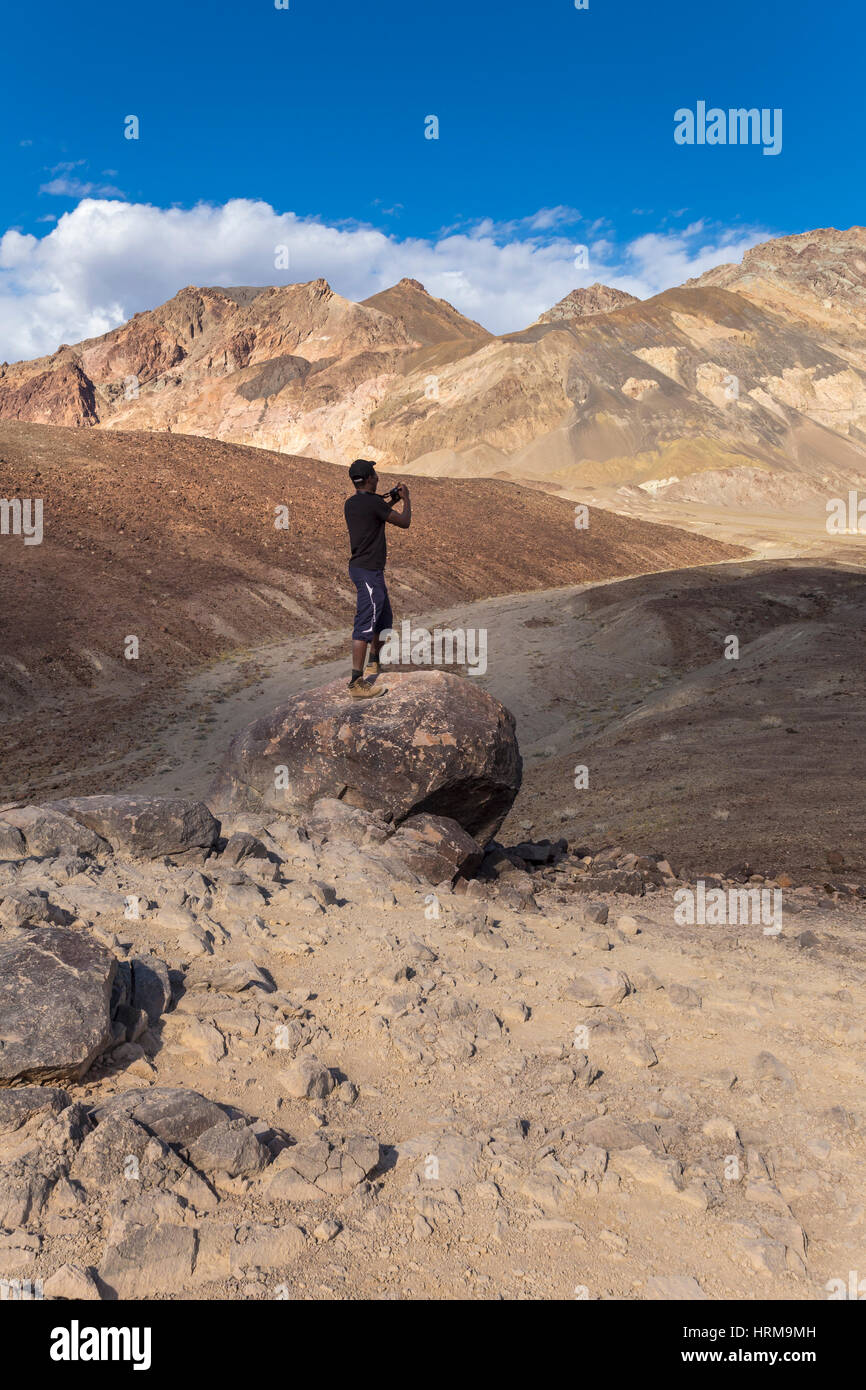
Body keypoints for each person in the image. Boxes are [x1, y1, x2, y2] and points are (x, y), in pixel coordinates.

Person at [344, 458, 411, 697]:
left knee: (384, 619)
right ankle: (356, 683)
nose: (378, 476)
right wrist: (406, 499)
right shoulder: (374, 504)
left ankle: (374, 661)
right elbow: (404, 522)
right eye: (375, 473)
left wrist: (390, 498)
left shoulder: (351, 504)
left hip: (364, 569)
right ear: (370, 478)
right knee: (365, 622)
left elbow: (376, 512)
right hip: (368, 571)